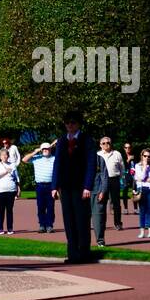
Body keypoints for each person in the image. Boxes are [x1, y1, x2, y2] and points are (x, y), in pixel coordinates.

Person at [51, 109, 97, 264]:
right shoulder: (62, 141)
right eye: (67, 123)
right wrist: (54, 186)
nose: (70, 125)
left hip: (80, 186)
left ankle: (84, 253)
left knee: (81, 220)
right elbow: (57, 164)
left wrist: (87, 186)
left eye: (73, 122)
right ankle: (72, 254)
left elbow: (91, 164)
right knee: (69, 220)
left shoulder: (87, 140)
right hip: (66, 186)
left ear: (78, 124)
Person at [22, 140, 56, 232]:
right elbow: (24, 160)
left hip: (51, 186)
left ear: (50, 149)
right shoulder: (36, 158)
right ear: (41, 150)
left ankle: (49, 225)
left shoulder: (55, 158)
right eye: (44, 149)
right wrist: (35, 151)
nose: (45, 150)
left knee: (50, 207)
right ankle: (42, 225)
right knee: (40, 206)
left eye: (47, 149)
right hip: (40, 185)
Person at [98, 137, 125, 231]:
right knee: (102, 203)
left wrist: (122, 181)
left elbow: (122, 168)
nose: (106, 144)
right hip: (102, 181)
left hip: (114, 179)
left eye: (108, 142)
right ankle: (101, 223)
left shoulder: (117, 154)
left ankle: (118, 223)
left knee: (116, 203)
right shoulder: (98, 154)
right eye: (104, 143)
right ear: (100, 145)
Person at [0, 148, 19, 235]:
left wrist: (18, 188)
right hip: (0, 190)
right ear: (0, 157)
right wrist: (5, 172)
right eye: (3, 155)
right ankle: (0, 228)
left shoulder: (13, 165)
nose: (5, 156)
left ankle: (10, 228)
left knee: (10, 210)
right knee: (1, 209)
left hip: (11, 190)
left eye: (6, 155)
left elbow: (16, 177)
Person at [133, 148, 150, 238]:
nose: (147, 158)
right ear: (141, 156)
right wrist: (144, 168)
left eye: (149, 156)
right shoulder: (137, 166)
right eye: (145, 156)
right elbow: (138, 177)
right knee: (142, 210)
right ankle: (142, 231)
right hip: (141, 189)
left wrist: (145, 179)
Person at [91, 145, 111, 249]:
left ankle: (100, 241)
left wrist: (103, 191)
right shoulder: (78, 159)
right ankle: (82, 242)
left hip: (97, 192)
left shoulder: (99, 159)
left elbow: (104, 176)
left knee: (98, 218)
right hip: (82, 193)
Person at [122, 143, 137, 215]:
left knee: (134, 192)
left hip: (134, 176)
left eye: (129, 147)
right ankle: (125, 208)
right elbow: (122, 166)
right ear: (124, 148)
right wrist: (128, 160)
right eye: (126, 147)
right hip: (125, 176)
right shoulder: (122, 156)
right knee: (125, 192)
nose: (128, 149)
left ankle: (135, 208)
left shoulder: (135, 156)